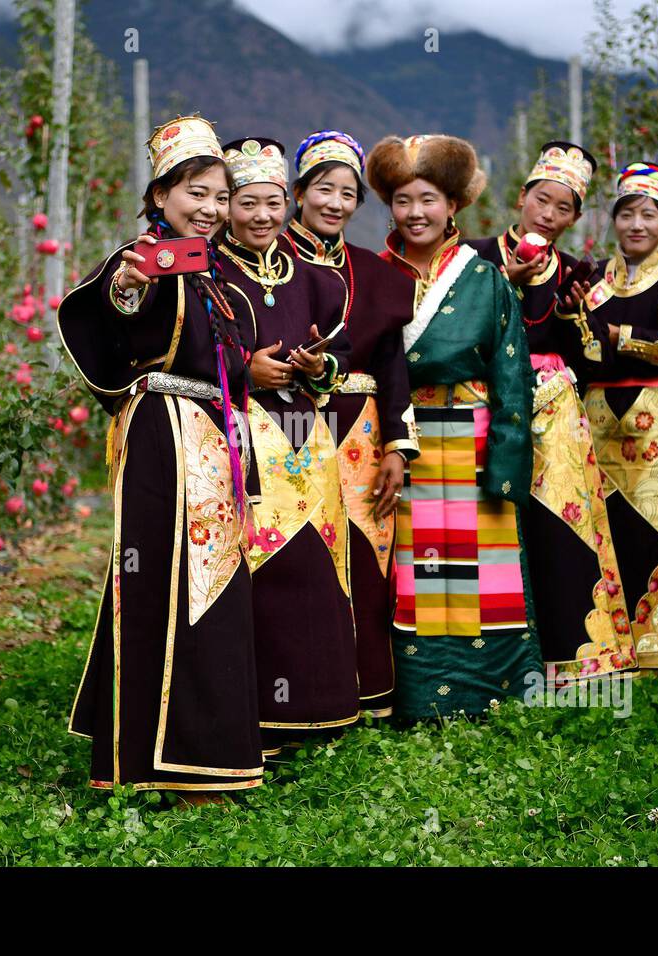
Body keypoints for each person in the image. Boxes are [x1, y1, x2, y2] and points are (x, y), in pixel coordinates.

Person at [55, 115, 263, 796]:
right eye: (194, 194)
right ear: (162, 194)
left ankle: (205, 749)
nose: (208, 208)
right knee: (160, 583)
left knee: (211, 585)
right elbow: (116, 304)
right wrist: (130, 283)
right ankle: (146, 762)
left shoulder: (212, 274)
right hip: (163, 435)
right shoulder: (144, 256)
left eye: (218, 196)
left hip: (210, 433)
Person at [367, 133, 542, 720]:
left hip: (470, 440)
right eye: (401, 201)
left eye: (427, 199)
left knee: (481, 573)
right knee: (409, 572)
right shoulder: (368, 275)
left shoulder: (485, 278)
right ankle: (410, 695)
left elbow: (512, 374)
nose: (414, 213)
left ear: (452, 205)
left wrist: (508, 460)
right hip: (395, 443)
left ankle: (490, 691)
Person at [469, 142, 636, 681]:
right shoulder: (476, 256)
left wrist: (574, 318)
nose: (549, 214)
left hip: (556, 415)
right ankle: (495, 658)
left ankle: (569, 653)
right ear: (522, 197)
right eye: (542, 200)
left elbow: (588, 361)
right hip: (489, 406)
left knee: (556, 525)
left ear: (576, 217)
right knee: (493, 526)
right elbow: (466, 332)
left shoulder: (575, 272)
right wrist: (507, 285)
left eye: (564, 208)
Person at [215, 137, 360, 751]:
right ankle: (256, 717)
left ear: (287, 202)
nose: (263, 217)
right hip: (242, 437)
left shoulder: (318, 279)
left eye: (272, 203)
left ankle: (316, 711)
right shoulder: (207, 273)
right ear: (226, 207)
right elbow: (195, 349)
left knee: (314, 563)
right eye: (247, 203)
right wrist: (247, 369)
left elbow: (342, 355)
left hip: (307, 439)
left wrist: (314, 366)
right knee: (258, 566)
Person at [283, 129, 419, 718]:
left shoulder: (378, 276)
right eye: (323, 189)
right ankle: (304, 694)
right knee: (300, 551)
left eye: (347, 193)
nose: (335, 203)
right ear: (298, 192)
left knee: (366, 554)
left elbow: (392, 365)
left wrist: (397, 445)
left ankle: (369, 693)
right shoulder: (269, 265)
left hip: (362, 427)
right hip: (288, 424)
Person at [570, 162, 658, 676]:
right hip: (600, 417)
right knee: (610, 527)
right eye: (626, 213)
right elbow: (582, 347)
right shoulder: (595, 279)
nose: (636, 225)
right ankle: (616, 647)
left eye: (648, 215)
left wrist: (621, 338)